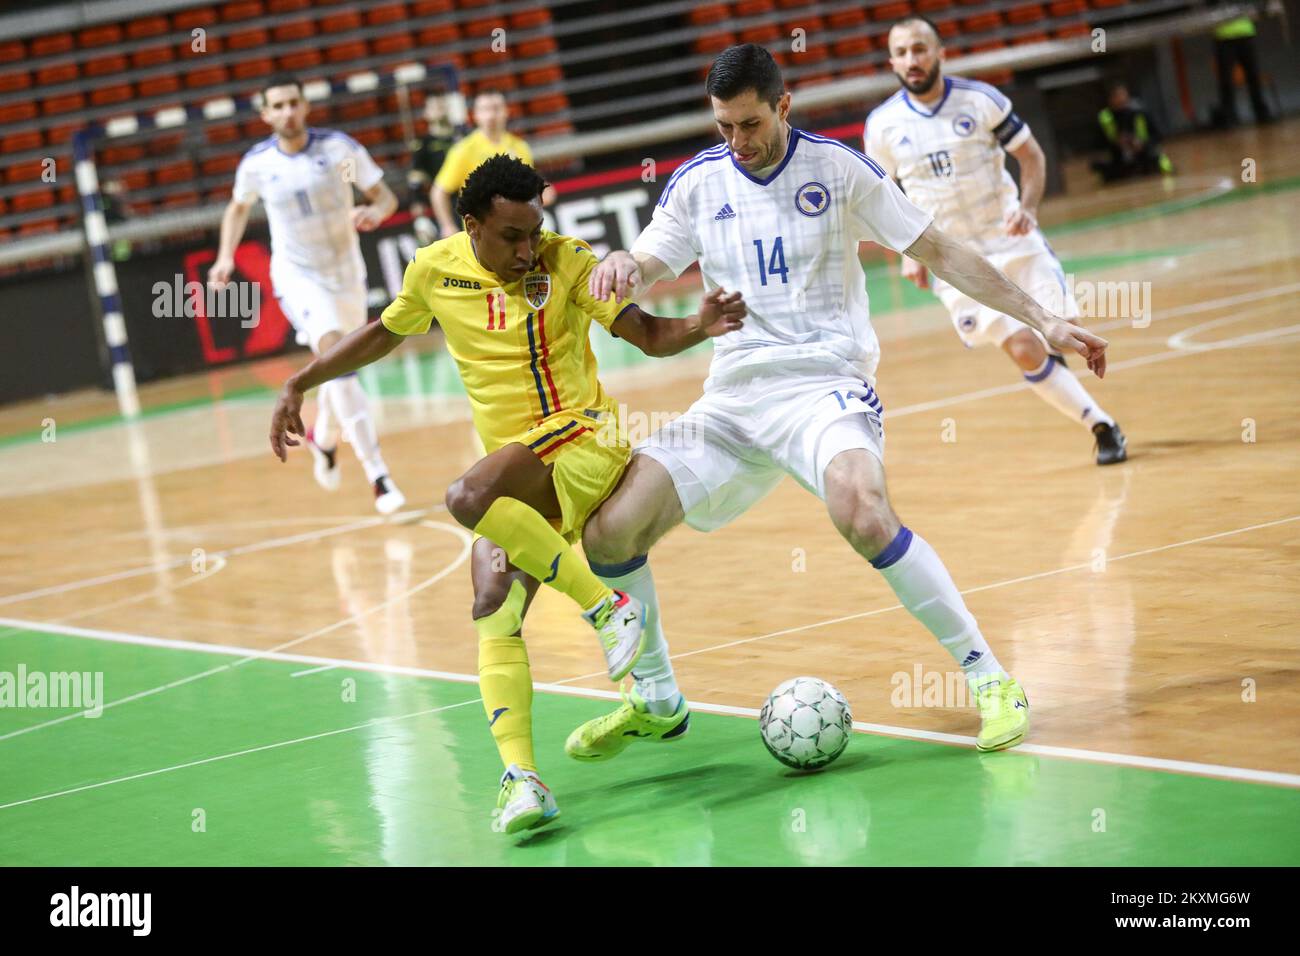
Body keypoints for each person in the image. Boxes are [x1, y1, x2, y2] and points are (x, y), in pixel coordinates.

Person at [566, 44, 1111, 763]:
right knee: (608, 533)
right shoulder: (698, 183)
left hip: (825, 384)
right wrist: (620, 263)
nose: (738, 141)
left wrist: (1044, 318)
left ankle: (990, 678)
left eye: (751, 124)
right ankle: (658, 700)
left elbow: (942, 252)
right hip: (733, 396)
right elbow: (649, 258)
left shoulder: (839, 169)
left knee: (861, 508)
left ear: (783, 106)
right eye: (724, 126)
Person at [268, 155, 744, 834]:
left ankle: (607, 610)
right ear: (472, 225)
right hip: (516, 474)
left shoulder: (568, 260)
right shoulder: (435, 268)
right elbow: (382, 333)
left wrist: (700, 324)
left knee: (465, 494)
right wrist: (302, 382)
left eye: (534, 232)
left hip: (583, 440)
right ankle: (523, 779)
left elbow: (647, 334)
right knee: (492, 604)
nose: (528, 250)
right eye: (511, 236)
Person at [865, 16, 1127, 465]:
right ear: (892, 61)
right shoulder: (882, 124)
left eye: (921, 49)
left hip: (1009, 237)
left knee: (1067, 331)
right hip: (951, 257)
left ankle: (1059, 365)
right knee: (1024, 348)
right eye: (903, 52)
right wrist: (907, 255)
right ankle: (1101, 425)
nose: (913, 59)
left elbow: (1031, 155)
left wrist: (1028, 206)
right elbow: (884, 202)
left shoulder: (982, 100)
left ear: (940, 52)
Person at [209, 73, 406, 514]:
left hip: (346, 271)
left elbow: (384, 196)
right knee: (337, 355)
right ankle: (378, 474)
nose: (287, 112)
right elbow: (237, 207)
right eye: (276, 106)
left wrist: (375, 211)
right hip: (298, 275)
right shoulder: (258, 164)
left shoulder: (338, 151)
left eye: (293, 103)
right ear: (265, 114)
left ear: (306, 106)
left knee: (340, 363)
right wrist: (226, 257)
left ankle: (324, 436)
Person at [430, 89, 556, 238]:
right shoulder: (463, 150)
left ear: (506, 112)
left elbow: (529, 188)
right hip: (482, 235)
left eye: (495, 108)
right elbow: (438, 192)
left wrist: (542, 191)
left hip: (518, 231)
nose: (490, 115)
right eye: (484, 109)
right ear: (475, 115)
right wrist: (447, 225)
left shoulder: (520, 147)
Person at [407, 95, 466, 245]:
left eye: (442, 106)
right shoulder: (423, 144)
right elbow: (416, 184)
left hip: (470, 199)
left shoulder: (463, 137)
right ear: (426, 113)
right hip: (444, 205)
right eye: (434, 107)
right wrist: (420, 218)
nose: (439, 110)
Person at [1092, 82, 1174, 182]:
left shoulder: (1141, 112)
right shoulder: (1104, 118)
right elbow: (1097, 145)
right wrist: (1116, 143)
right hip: (1118, 155)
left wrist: (1142, 143)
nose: (1121, 99)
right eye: (1117, 96)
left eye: (1123, 95)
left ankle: (1146, 170)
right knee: (1097, 164)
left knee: (1160, 160)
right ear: (1110, 99)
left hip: (1143, 153)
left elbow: (1158, 135)